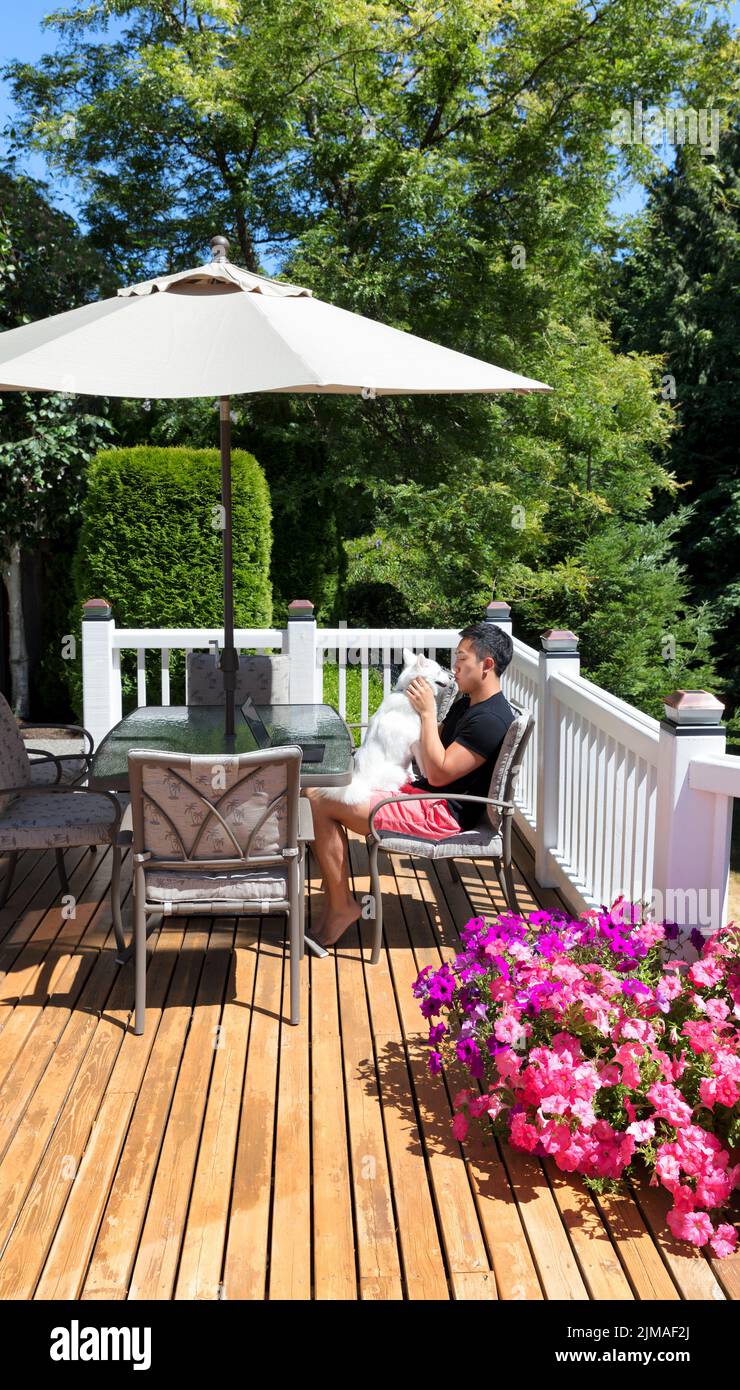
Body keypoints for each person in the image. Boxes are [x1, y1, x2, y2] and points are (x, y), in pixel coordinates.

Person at [304, 622, 515, 948]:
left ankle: (341, 906)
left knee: (319, 798)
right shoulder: (467, 702)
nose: (454, 667)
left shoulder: (489, 719)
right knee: (323, 788)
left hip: (441, 814)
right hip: (422, 796)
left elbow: (438, 774)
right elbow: (428, 749)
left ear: (487, 665)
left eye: (461, 659)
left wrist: (428, 714)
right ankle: (338, 901)